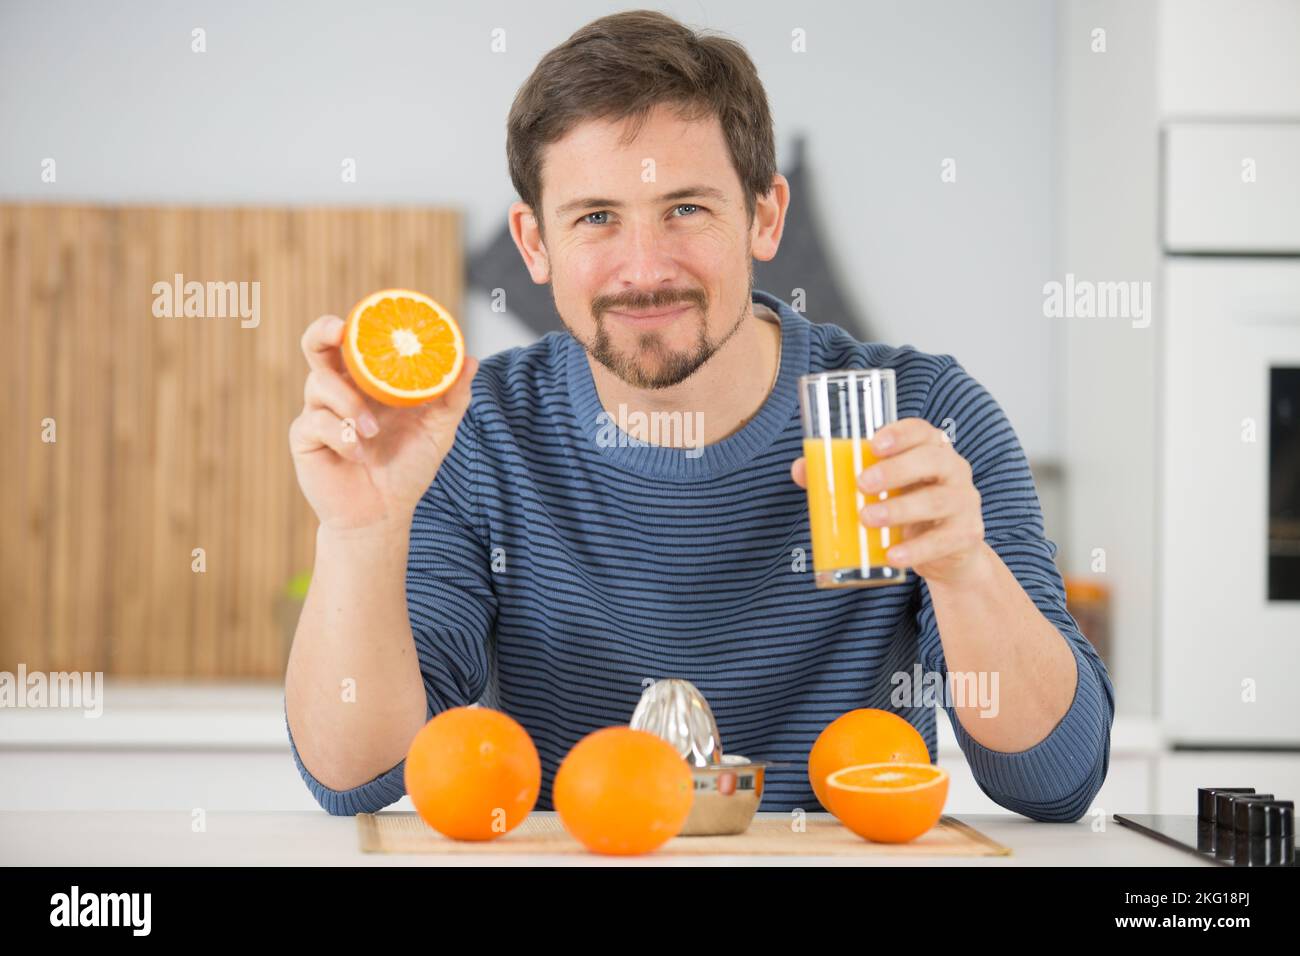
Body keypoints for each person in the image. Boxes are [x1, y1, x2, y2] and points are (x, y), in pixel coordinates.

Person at [285, 9, 1114, 820]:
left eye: (686, 209)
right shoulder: (473, 431)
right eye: (596, 218)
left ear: (764, 215)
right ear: (535, 244)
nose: (644, 270)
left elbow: (1055, 780)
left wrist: (967, 571)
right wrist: (361, 536)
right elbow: (358, 778)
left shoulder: (921, 412)